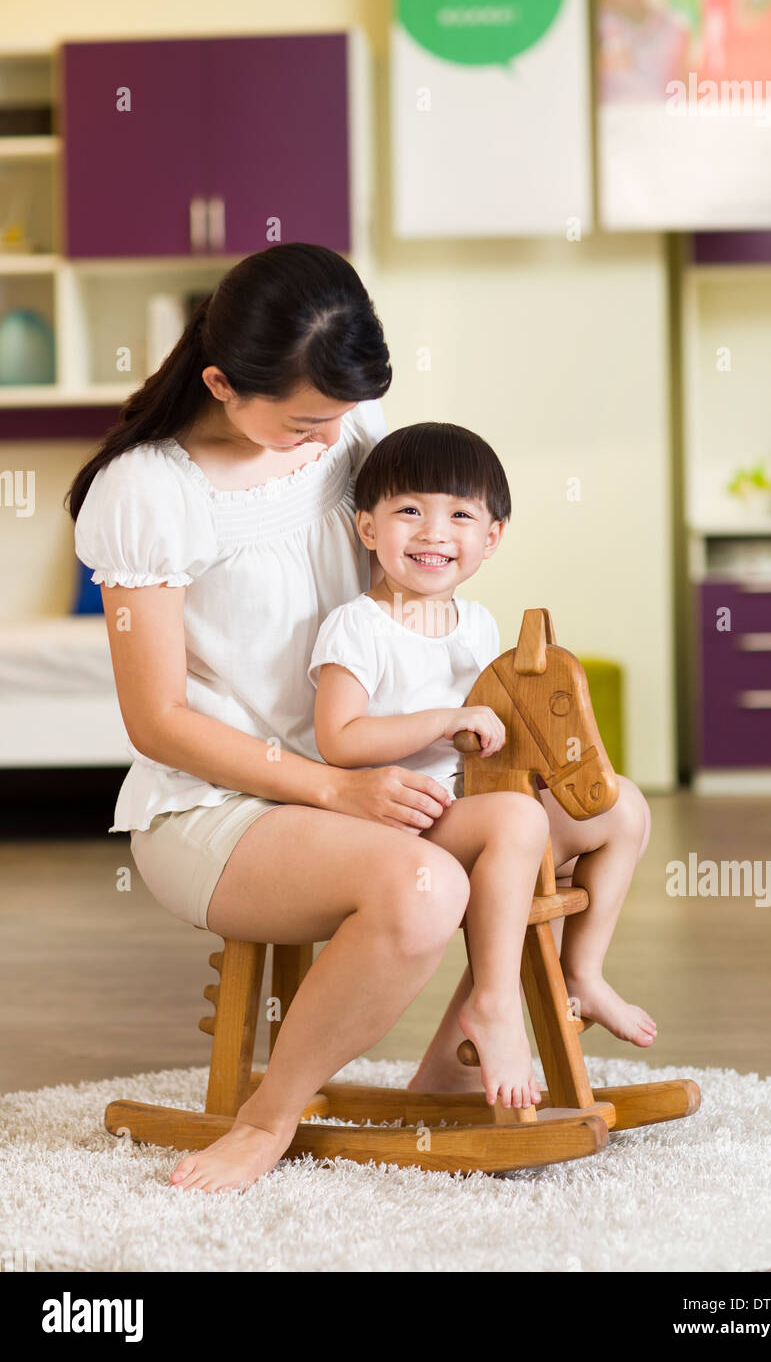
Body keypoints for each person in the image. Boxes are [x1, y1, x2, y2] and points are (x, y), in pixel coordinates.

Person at [69, 242, 654, 1196]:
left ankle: (467, 1039)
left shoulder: (346, 428)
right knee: (426, 889)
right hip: (224, 807)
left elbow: (414, 560)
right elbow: (158, 719)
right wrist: (336, 785)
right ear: (220, 381)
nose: (328, 439)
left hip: (380, 776)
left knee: (603, 809)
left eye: (340, 417)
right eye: (305, 421)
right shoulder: (147, 493)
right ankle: (268, 1117)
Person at [309, 421, 551, 1111]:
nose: (433, 531)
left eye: (460, 513)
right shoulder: (358, 626)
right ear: (367, 528)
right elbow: (339, 739)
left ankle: (582, 975)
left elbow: (490, 731)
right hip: (391, 827)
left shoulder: (478, 626)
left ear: (492, 537)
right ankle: (496, 1005)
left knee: (618, 806)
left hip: (452, 809)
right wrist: (446, 722)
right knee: (514, 819)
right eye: (409, 509)